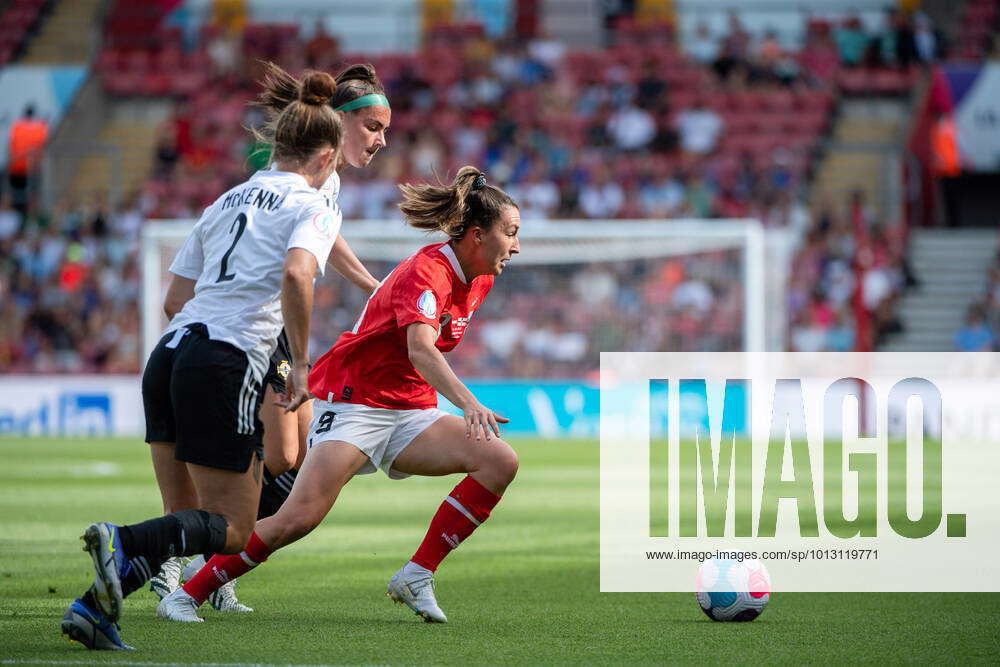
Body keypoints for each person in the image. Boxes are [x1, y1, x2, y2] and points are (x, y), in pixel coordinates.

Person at [61, 66, 349, 651]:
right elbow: (298, 272)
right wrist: (299, 361)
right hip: (226, 359)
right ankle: (120, 540)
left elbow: (172, 299)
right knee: (235, 530)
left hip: (168, 354)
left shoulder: (227, 199)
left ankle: (92, 610)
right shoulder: (315, 203)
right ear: (325, 158)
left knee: (186, 515)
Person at [157, 166, 520, 624]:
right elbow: (421, 349)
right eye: (510, 233)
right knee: (298, 518)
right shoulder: (427, 272)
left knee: (500, 461)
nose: (517, 245)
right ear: (475, 235)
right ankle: (187, 593)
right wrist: (468, 403)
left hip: (408, 409)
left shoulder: (481, 277)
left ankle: (416, 574)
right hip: (355, 401)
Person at [146, 62, 391, 614]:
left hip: (209, 333)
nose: (380, 141)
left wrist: (371, 285)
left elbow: (327, 241)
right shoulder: (313, 182)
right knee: (274, 456)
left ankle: (206, 558)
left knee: (289, 454)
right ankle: (184, 557)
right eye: (374, 127)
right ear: (340, 125)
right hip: (248, 332)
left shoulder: (308, 183)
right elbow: (302, 261)